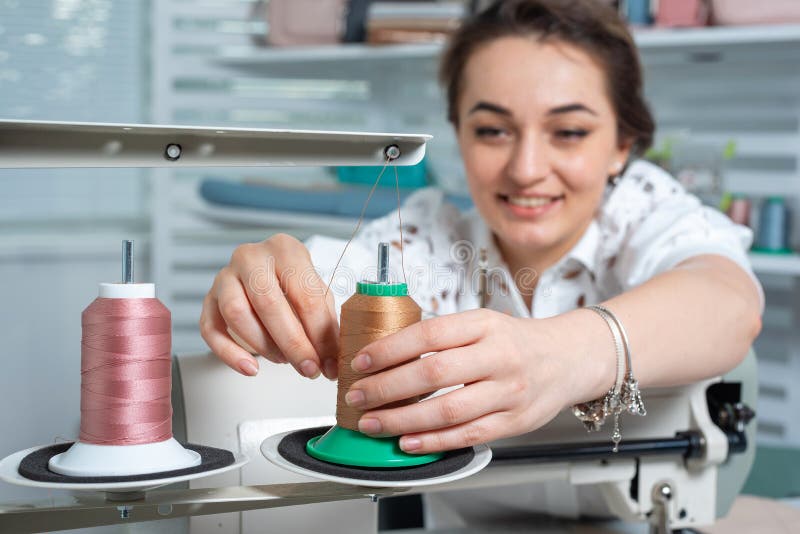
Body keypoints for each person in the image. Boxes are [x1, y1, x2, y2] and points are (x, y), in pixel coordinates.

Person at [200, 0, 762, 458]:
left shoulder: (645, 210)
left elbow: (730, 302)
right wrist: (264, 283)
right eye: (493, 130)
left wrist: (560, 357)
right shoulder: (425, 236)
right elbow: (317, 283)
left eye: (568, 132)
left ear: (621, 147)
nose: (526, 169)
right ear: (459, 134)